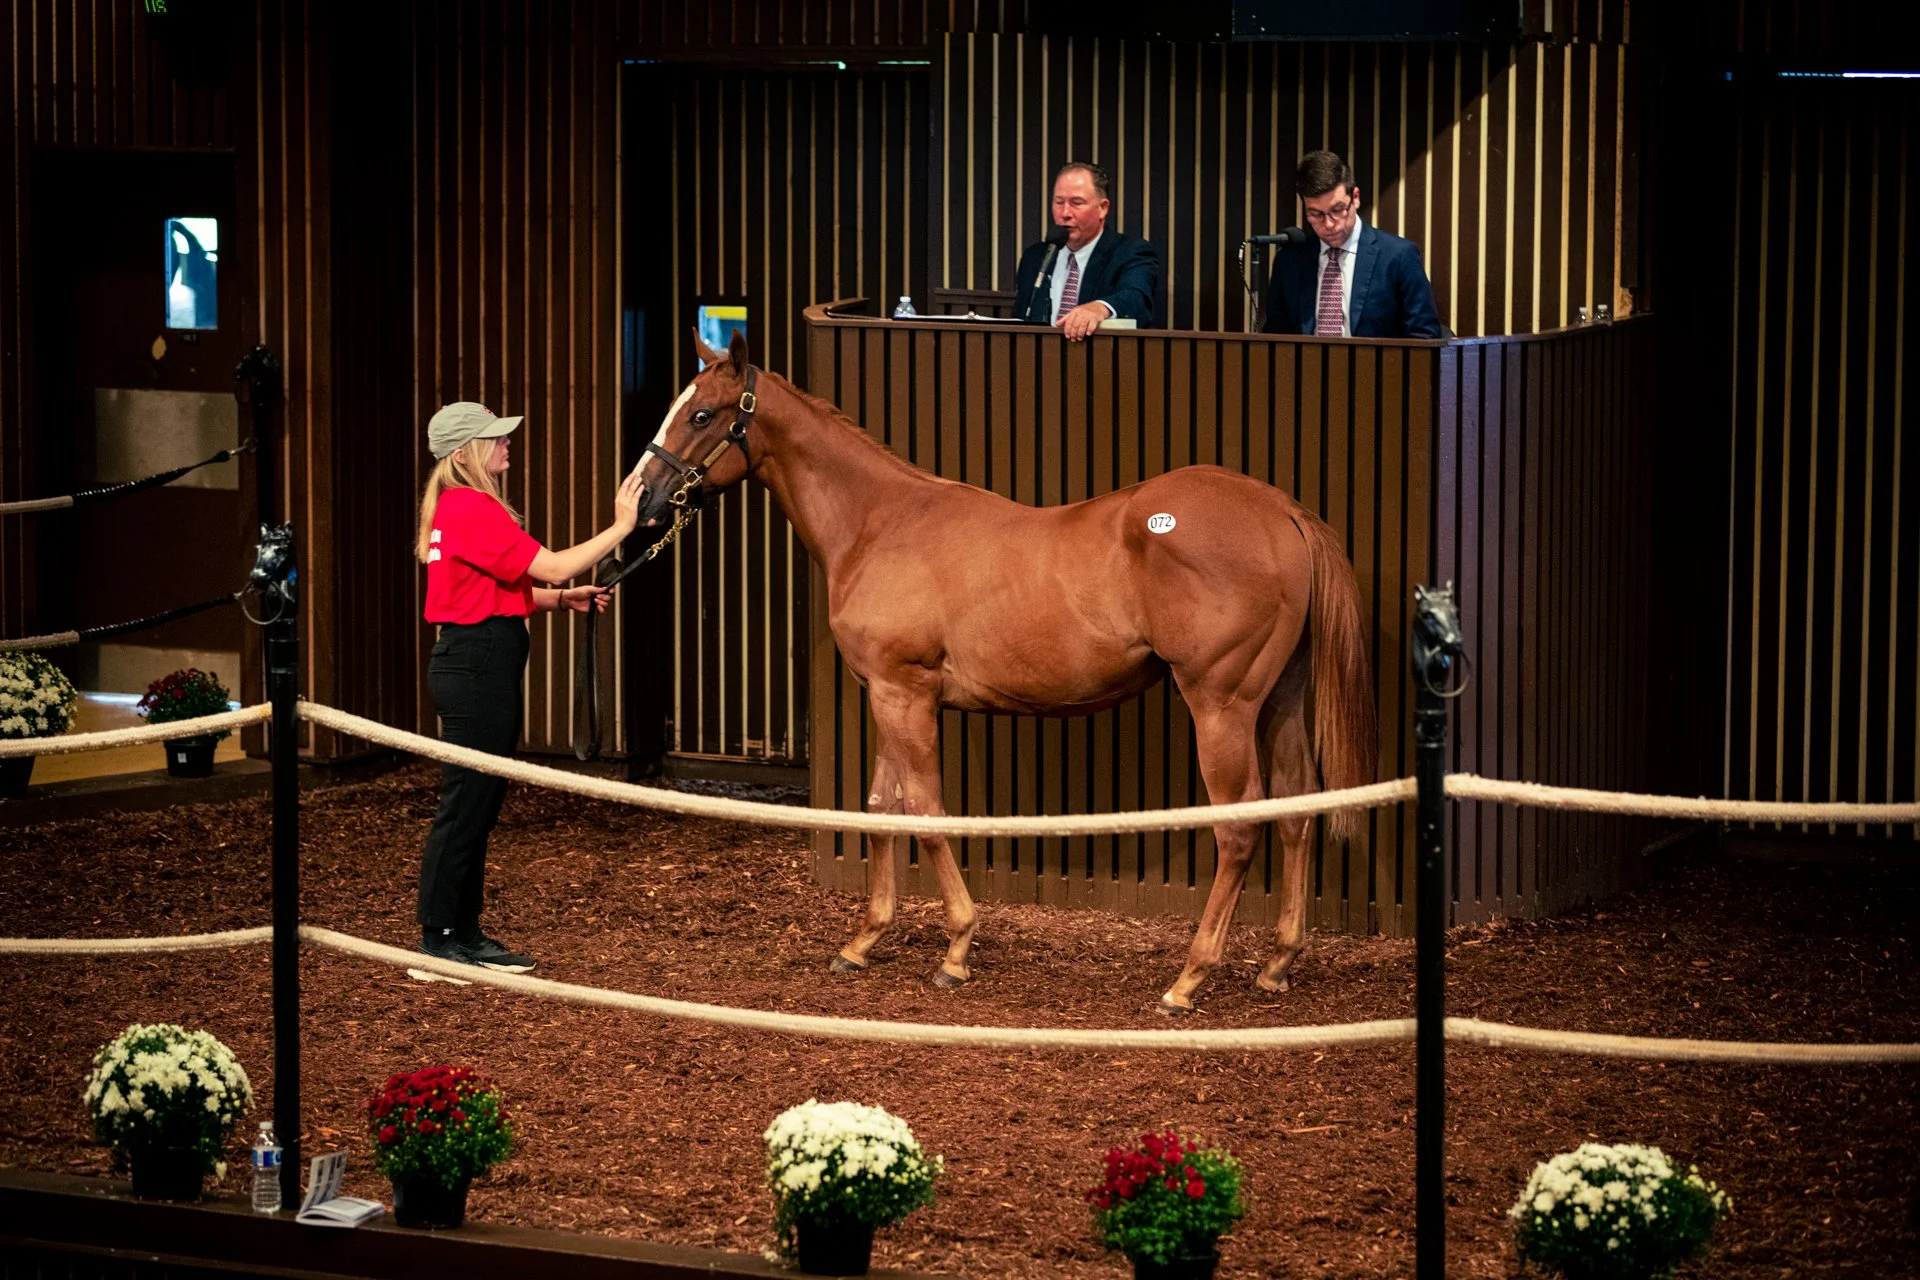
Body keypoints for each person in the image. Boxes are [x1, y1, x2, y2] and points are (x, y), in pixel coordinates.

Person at [412, 402, 643, 973]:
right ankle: (440, 937)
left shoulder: (458, 508)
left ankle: (460, 930)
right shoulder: (471, 508)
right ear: (468, 452)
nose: (507, 444)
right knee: (467, 805)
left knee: (477, 805)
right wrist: (620, 526)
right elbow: (556, 565)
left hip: (477, 660)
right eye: (496, 438)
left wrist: (562, 601)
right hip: (477, 666)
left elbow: (491, 591)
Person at [1261, 150, 1443, 340]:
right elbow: (1276, 340)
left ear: (1355, 197)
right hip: (1305, 368)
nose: (1329, 224)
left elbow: (1424, 338)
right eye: (1316, 214)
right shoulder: (1290, 260)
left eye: (1338, 210)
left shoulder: (1398, 256)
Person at [1012, 162, 1160, 340]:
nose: (1065, 213)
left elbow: (1137, 298)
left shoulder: (1130, 252)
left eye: (1076, 203)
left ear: (1102, 208)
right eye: (1059, 202)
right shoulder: (1035, 258)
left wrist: (1100, 308)